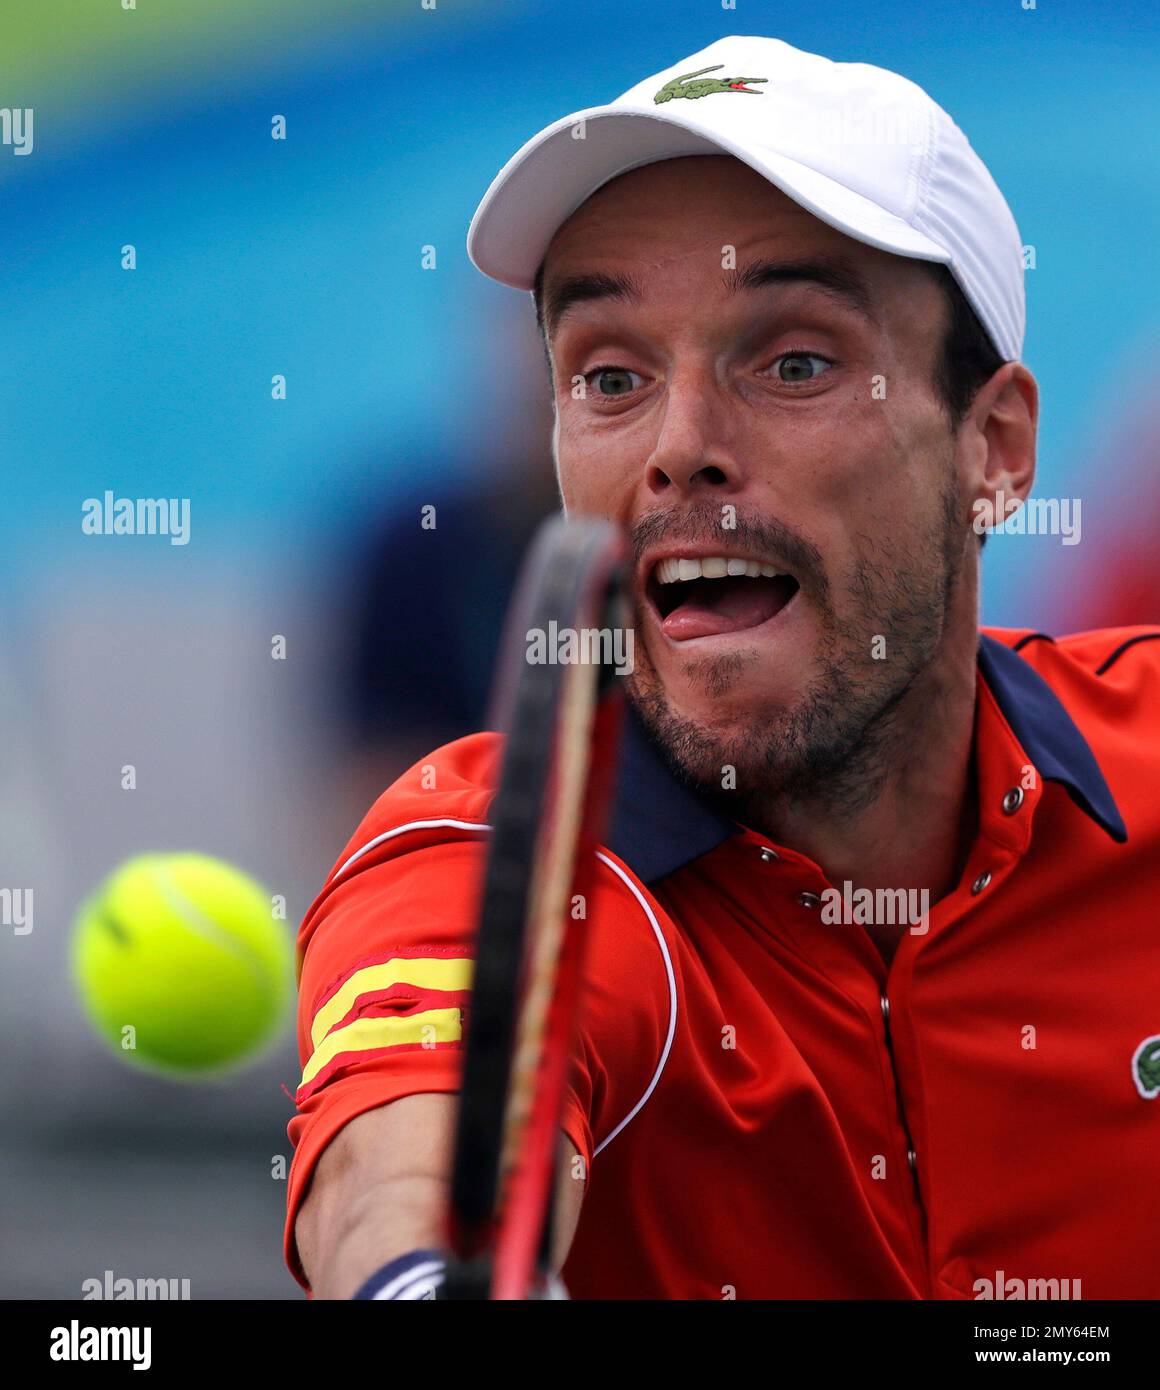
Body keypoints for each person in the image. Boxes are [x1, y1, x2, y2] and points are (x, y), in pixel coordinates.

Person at [286, 36, 1160, 1300]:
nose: (677, 446)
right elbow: (400, 1180)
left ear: (995, 448)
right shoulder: (480, 857)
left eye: (792, 360)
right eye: (609, 376)